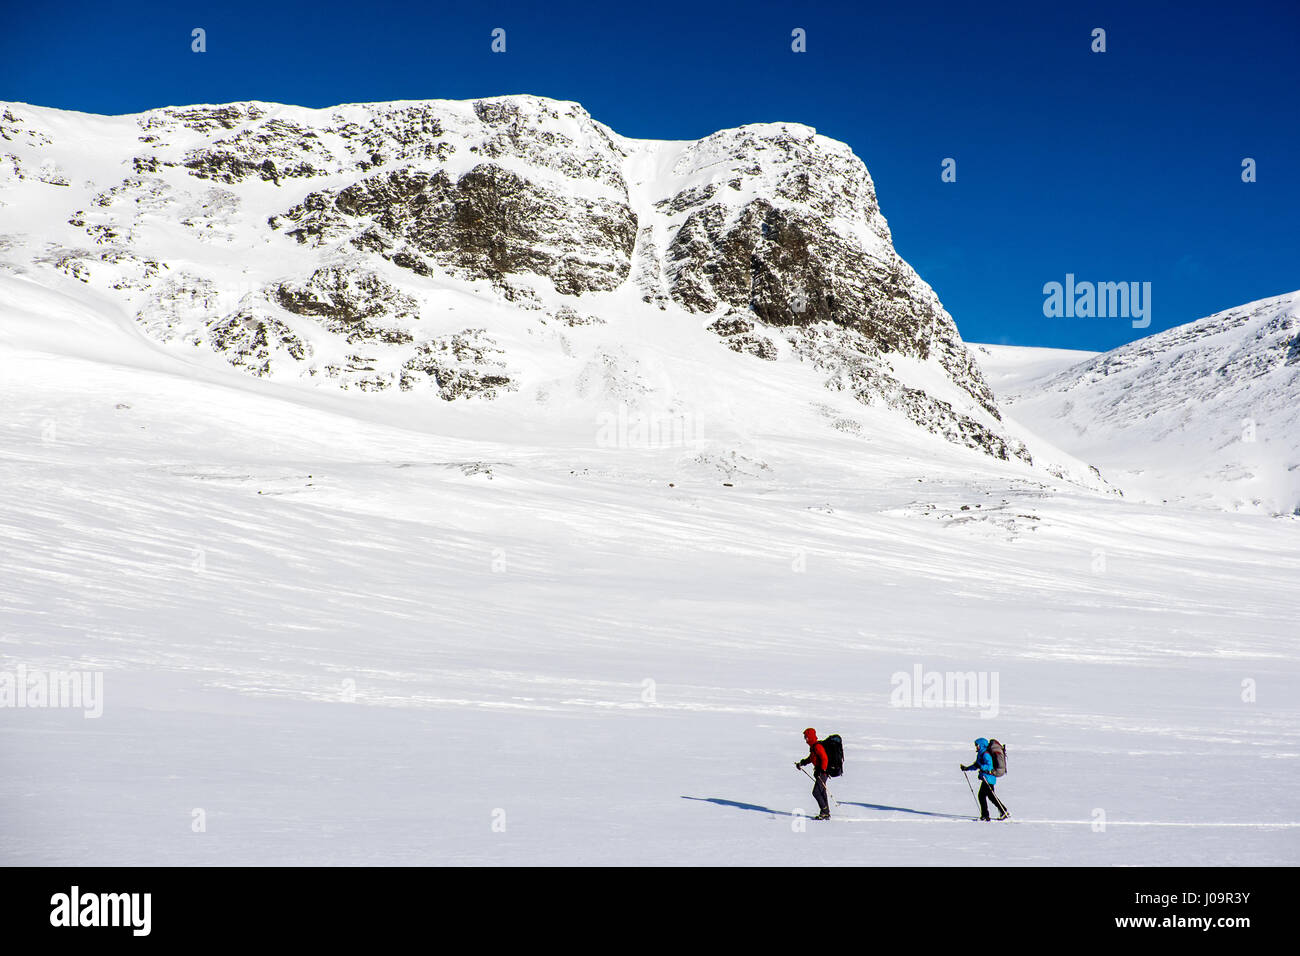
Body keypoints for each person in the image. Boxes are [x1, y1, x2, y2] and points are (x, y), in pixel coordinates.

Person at [962, 737, 1009, 821]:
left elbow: (989, 765)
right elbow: (976, 765)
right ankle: (1002, 811)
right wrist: (966, 768)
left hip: (988, 778)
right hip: (987, 778)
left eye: (977, 745)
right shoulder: (981, 754)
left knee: (982, 796)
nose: (976, 747)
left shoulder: (985, 754)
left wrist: (982, 767)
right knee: (990, 796)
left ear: (981, 745)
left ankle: (986, 815)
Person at [795, 727, 830, 820]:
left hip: (822, 773)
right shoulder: (813, 747)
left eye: (806, 737)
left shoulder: (817, 746)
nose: (805, 739)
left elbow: (824, 758)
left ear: (810, 737)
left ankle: (824, 811)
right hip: (821, 773)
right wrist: (801, 763)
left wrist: (822, 770)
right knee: (822, 792)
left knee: (816, 792)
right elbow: (811, 759)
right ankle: (826, 812)